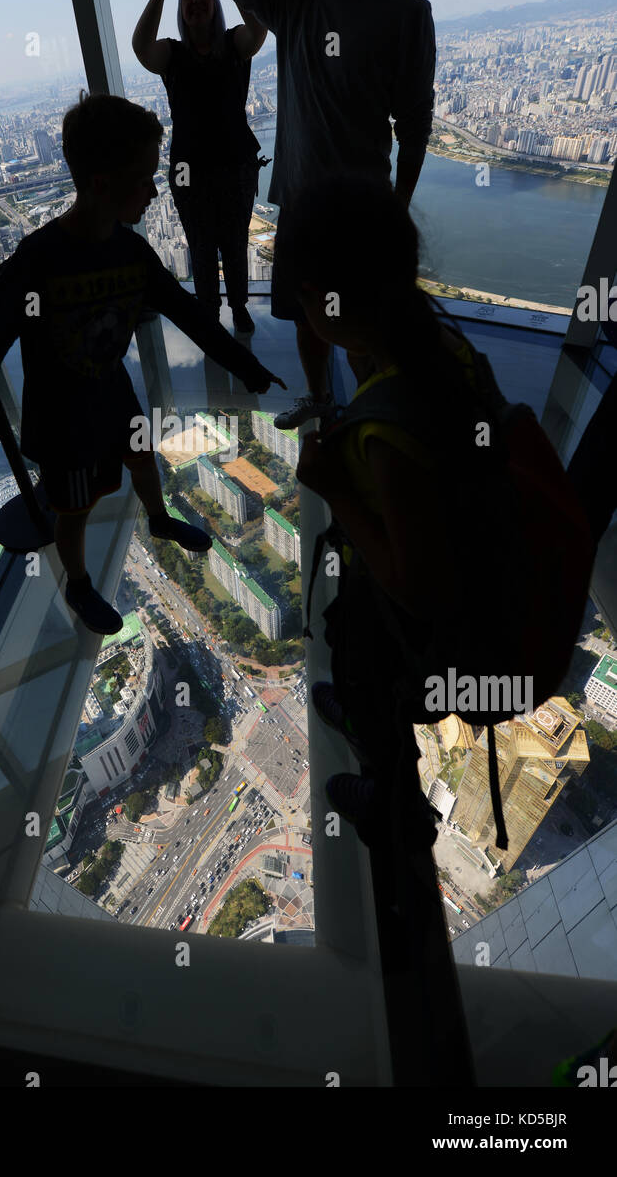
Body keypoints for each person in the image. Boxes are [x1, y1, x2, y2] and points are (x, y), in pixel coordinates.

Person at [0, 93, 286, 636]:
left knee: (142, 458)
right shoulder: (39, 258)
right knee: (72, 510)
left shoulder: (131, 252)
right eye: (145, 177)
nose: (155, 191)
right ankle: (78, 585)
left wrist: (245, 364)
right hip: (61, 422)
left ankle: (158, 520)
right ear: (103, 183)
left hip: (109, 389)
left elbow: (189, 316)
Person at [205, 0, 436, 429]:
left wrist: (396, 211)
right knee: (311, 318)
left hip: (361, 221)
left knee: (365, 338)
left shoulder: (406, 14)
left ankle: (374, 425)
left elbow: (414, 124)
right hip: (302, 208)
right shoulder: (296, 3)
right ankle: (322, 402)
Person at [288, 175, 496, 848]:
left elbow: (416, 588)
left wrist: (334, 489)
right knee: (358, 680)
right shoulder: (447, 348)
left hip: (401, 628)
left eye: (301, 291)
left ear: (327, 302)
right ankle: (355, 711)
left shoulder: (387, 430)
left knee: (369, 685)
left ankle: (393, 806)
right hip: (473, 558)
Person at [132, 0, 268, 333]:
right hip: (190, 170)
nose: (195, 1)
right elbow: (141, 46)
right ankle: (209, 310)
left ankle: (237, 307)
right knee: (201, 245)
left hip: (235, 164)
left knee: (234, 243)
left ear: (214, 4)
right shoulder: (172, 54)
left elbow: (258, 30)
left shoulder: (233, 44)